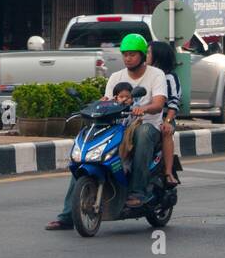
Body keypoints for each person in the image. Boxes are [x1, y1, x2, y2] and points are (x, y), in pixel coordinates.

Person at [45, 33, 166, 230]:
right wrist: (100, 105)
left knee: (142, 133)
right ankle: (68, 214)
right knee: (84, 159)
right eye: (125, 54)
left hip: (146, 125)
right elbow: (108, 101)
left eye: (133, 54)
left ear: (143, 56)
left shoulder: (155, 75)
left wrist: (143, 109)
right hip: (117, 126)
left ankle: (137, 192)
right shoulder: (116, 77)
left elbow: (159, 103)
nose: (128, 58)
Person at [148, 41, 181, 185]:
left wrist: (167, 121)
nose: (145, 55)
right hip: (147, 116)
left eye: (149, 53)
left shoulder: (170, 78)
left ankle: (168, 172)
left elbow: (174, 102)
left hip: (164, 117)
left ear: (158, 57)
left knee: (166, 133)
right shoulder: (144, 75)